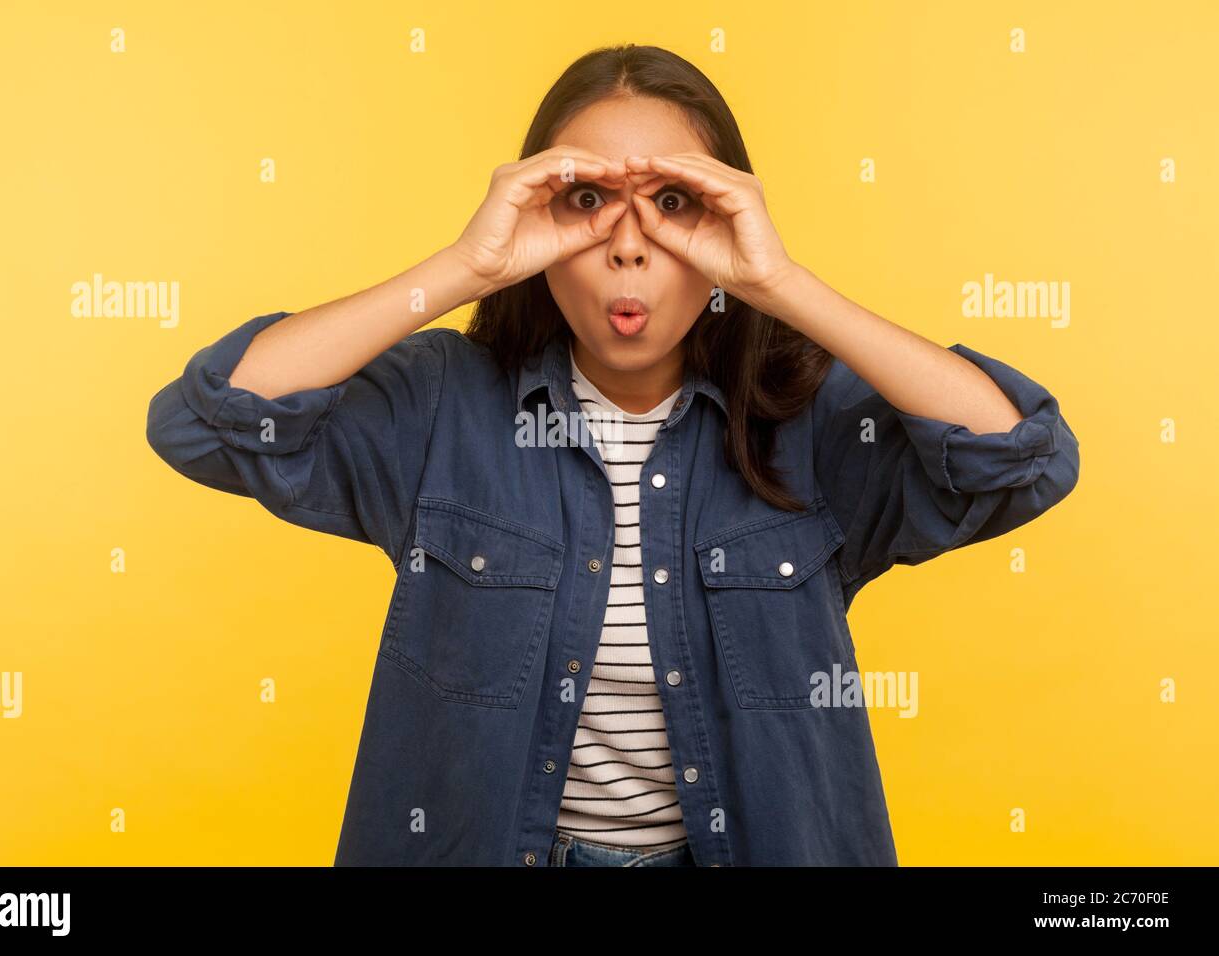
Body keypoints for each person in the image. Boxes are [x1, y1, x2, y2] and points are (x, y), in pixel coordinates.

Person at [145, 44, 1079, 867]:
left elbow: (1018, 458)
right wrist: (467, 265)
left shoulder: (811, 424)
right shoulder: (443, 407)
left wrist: (778, 283)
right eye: (588, 204)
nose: (628, 248)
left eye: (673, 205)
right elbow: (210, 420)